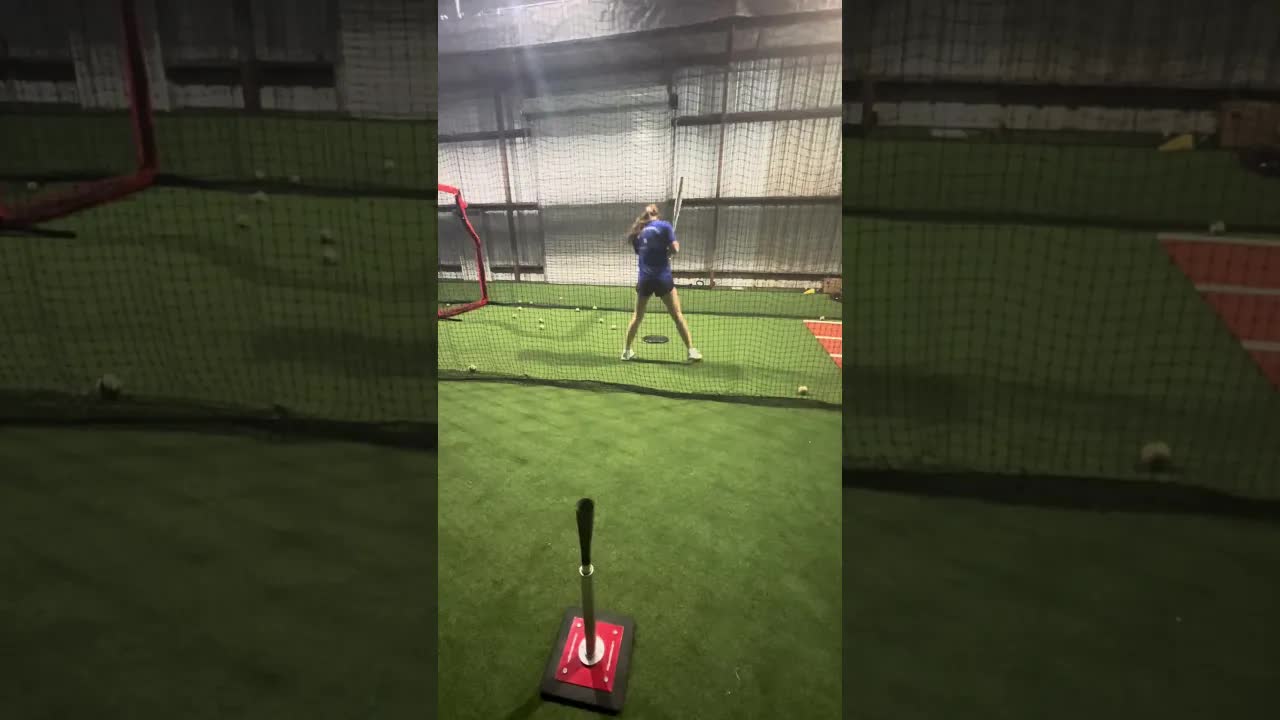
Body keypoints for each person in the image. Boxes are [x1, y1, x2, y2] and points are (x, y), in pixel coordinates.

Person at [622, 204, 702, 362]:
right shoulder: (665, 226)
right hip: (662, 278)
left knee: (637, 316)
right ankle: (691, 351)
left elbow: (644, 252)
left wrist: (663, 251)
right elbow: (675, 249)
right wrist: (669, 251)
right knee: (677, 315)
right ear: (657, 214)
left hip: (645, 279)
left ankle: (626, 351)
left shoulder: (638, 231)